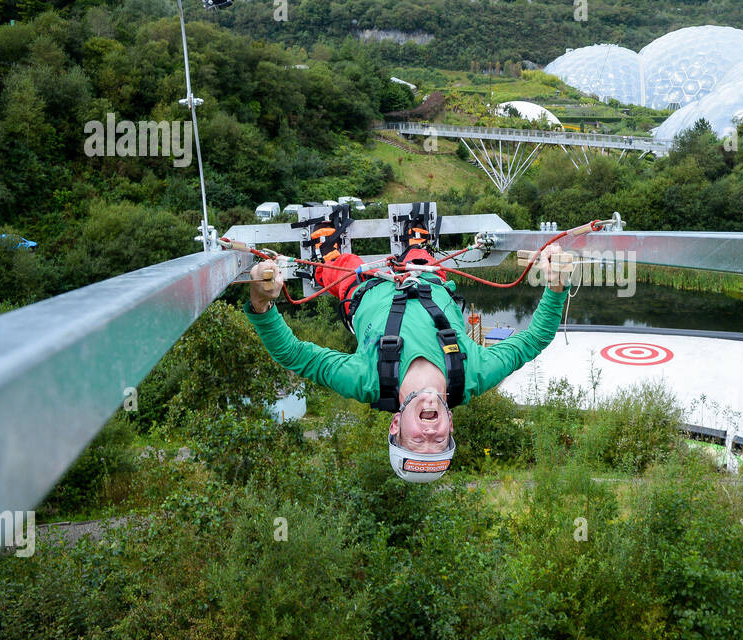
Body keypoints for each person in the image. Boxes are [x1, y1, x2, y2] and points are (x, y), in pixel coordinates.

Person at [243, 207, 571, 482]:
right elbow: (534, 339)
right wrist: (556, 286)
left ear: (397, 423)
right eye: (439, 439)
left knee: (339, 270)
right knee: (422, 258)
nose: (428, 434)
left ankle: (327, 252)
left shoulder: (367, 381)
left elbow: (294, 355)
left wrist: (261, 302)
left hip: (363, 287)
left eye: (416, 440)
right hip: (427, 277)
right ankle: (417, 244)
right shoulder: (473, 375)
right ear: (450, 424)